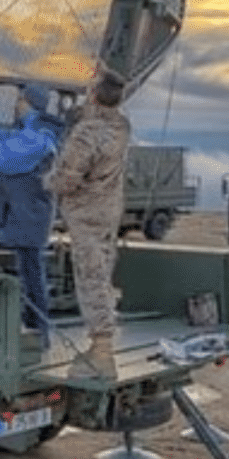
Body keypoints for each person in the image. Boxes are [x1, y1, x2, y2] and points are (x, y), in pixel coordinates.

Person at [51, 72, 131, 378]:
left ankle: (101, 349)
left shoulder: (87, 133)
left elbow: (68, 179)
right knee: (102, 270)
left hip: (85, 211)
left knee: (90, 275)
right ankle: (102, 342)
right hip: (108, 209)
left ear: (94, 96)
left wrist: (49, 181)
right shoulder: (121, 126)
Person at [0, 83, 66, 346]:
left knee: (32, 273)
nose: (15, 105)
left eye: (19, 101)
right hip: (23, 212)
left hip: (28, 214)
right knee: (28, 271)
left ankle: (40, 331)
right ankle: (33, 326)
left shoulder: (40, 136)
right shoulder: (33, 131)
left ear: (29, 103)